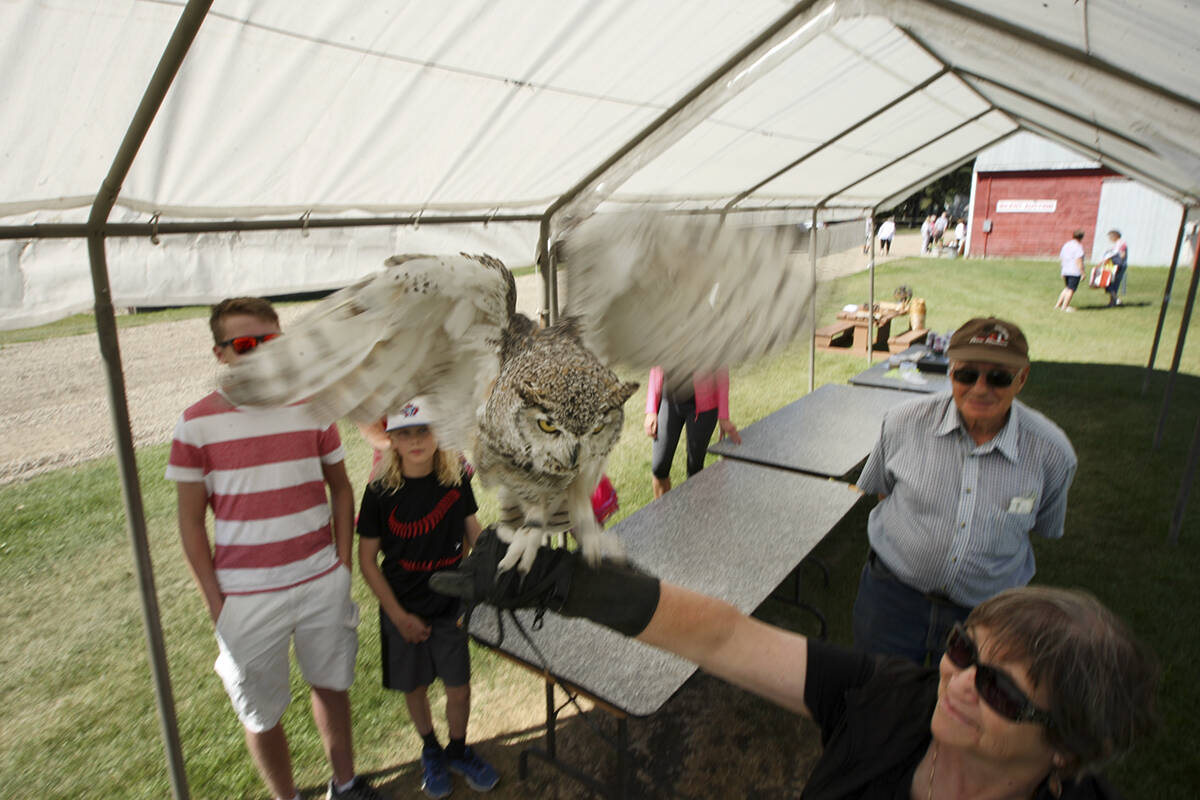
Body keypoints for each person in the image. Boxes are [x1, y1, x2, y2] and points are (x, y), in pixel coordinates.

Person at [432, 531, 1159, 800]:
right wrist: (579, 585)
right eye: (965, 649)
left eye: (1001, 689)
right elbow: (723, 638)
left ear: (1066, 747)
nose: (960, 681)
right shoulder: (893, 697)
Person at [166, 297, 382, 800]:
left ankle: (345, 786)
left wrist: (341, 568)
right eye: (244, 344)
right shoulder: (195, 423)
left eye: (271, 340)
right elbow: (190, 524)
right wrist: (217, 607)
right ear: (220, 353)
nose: (260, 352)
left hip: (319, 581)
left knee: (331, 685)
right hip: (245, 597)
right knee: (260, 712)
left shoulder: (314, 407)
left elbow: (342, 488)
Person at [852, 317, 1077, 665]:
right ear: (950, 371)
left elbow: (1043, 527)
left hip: (986, 615)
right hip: (891, 599)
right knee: (878, 697)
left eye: (999, 377)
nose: (981, 388)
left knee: (964, 712)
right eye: (967, 374)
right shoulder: (902, 423)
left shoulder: (1053, 453)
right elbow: (884, 493)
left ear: (1022, 377)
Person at [356, 398, 499, 799]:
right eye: (405, 433)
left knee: (459, 686)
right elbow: (366, 560)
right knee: (414, 685)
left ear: (441, 434)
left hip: (449, 606)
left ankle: (457, 748)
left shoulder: (455, 480)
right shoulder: (380, 492)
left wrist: (490, 563)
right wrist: (398, 615)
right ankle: (431, 750)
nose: (416, 440)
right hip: (403, 609)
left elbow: (474, 533)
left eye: (425, 430)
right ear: (392, 440)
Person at [645, 367, 741, 499]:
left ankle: (693, 516)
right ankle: (662, 516)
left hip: (704, 408)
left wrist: (723, 417)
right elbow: (655, 367)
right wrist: (651, 410)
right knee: (659, 467)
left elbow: (721, 372)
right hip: (669, 403)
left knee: (694, 468)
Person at [1055, 230, 1086, 312]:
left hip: (1065, 269)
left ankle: (1058, 305)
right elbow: (1078, 260)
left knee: (1067, 288)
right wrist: (1082, 272)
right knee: (1071, 289)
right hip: (1074, 271)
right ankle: (1065, 306)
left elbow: (1062, 257)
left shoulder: (1066, 245)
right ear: (1082, 237)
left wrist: (1062, 269)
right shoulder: (1078, 247)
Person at [1101, 230, 1128, 307]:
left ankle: (1116, 300)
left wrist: (1112, 257)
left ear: (1115, 236)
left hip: (1118, 266)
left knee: (1110, 283)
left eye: (1110, 237)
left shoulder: (1122, 244)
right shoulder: (1118, 244)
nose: (1109, 239)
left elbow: (1122, 255)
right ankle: (1112, 302)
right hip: (1114, 265)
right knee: (1111, 283)